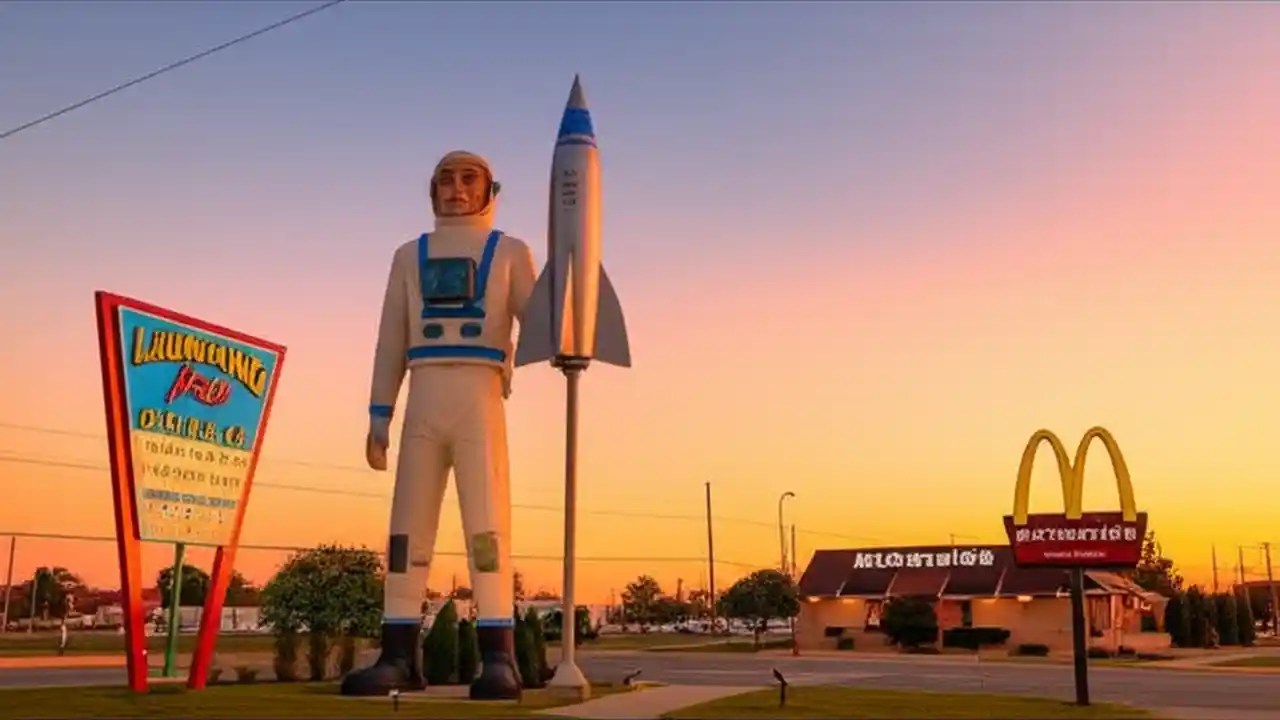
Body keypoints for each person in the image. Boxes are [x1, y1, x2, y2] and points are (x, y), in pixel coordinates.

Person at [339, 150, 536, 700]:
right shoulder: (409, 255)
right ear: (431, 190)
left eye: (468, 178)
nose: (456, 188)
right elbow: (390, 338)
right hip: (424, 395)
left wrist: (570, 313)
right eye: (446, 179)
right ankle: (398, 655)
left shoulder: (510, 252)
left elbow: (540, 320)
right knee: (406, 531)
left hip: (480, 394)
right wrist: (380, 414)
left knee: (488, 528)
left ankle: (499, 656)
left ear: (489, 189)